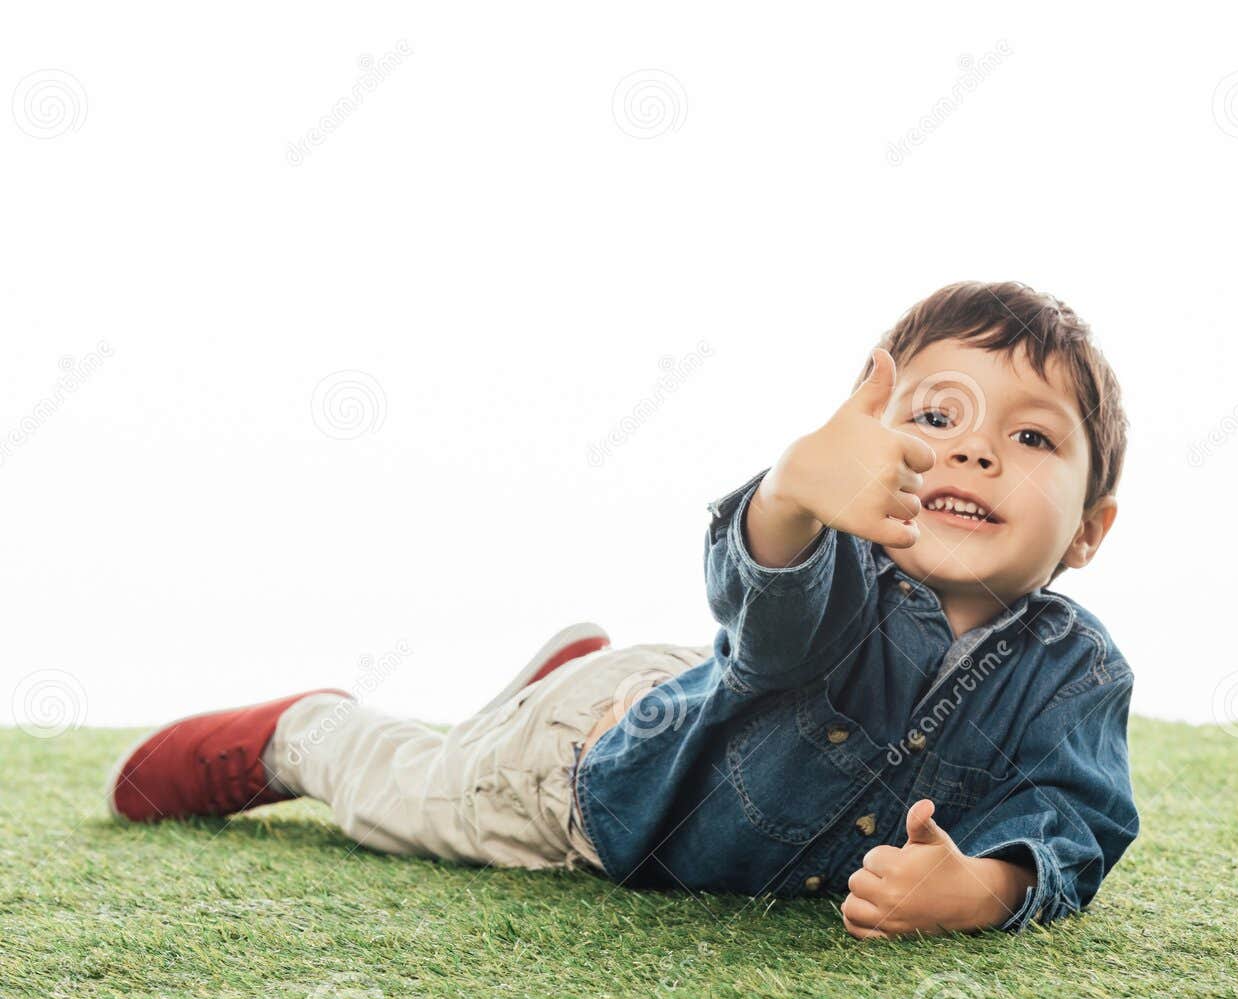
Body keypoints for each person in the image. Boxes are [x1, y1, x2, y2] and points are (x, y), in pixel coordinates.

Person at [107, 280, 1138, 939]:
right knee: (412, 798)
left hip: (676, 694)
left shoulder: (1078, 674)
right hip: (587, 781)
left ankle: (558, 681)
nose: (972, 450)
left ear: (1088, 531)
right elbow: (769, 607)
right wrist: (790, 496)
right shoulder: (846, 575)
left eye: (1032, 439)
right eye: (934, 416)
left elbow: (1072, 814)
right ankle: (306, 734)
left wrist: (991, 890)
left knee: (685, 688)